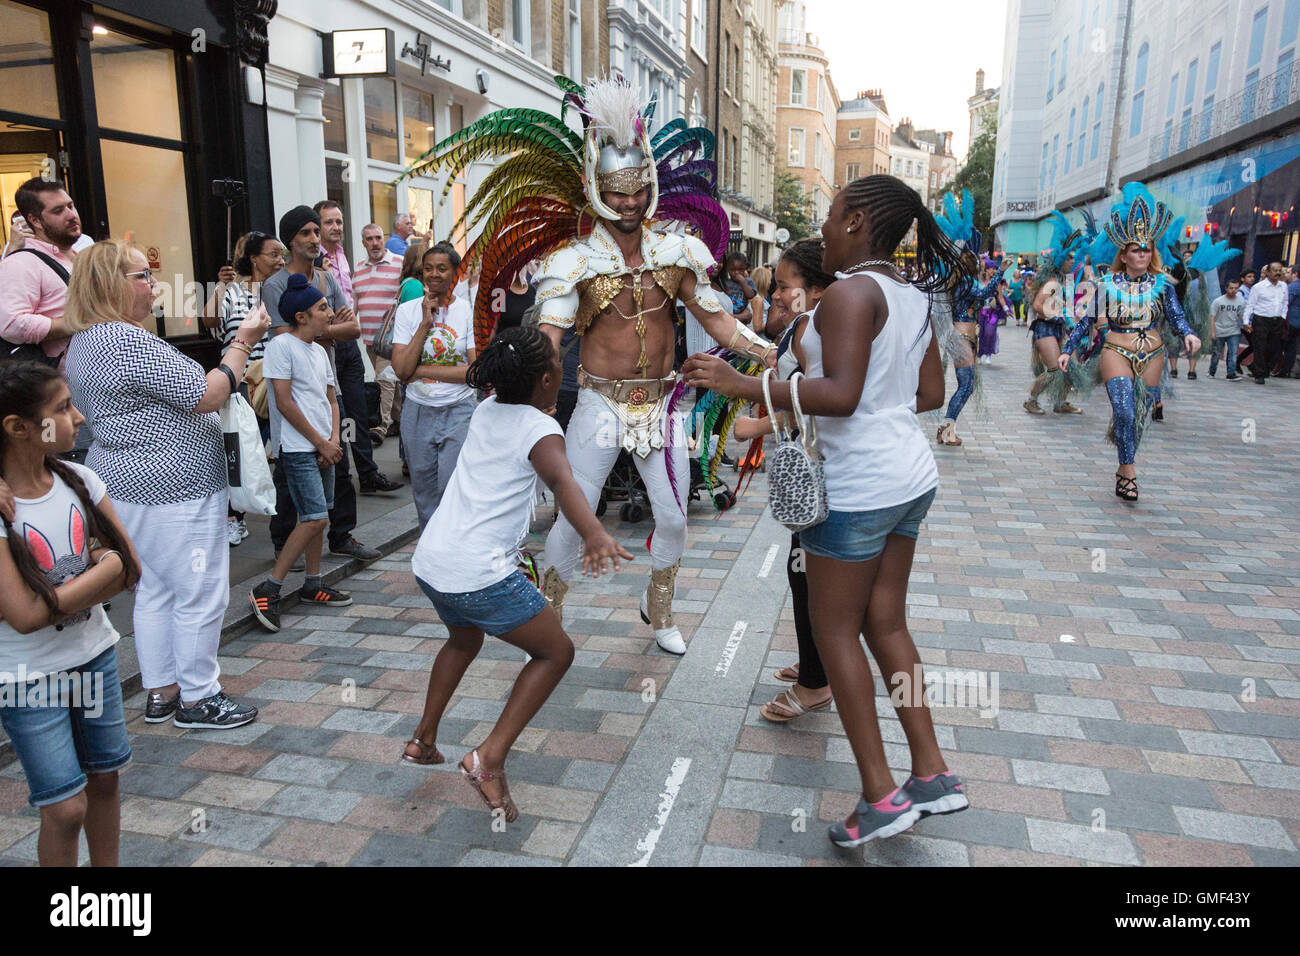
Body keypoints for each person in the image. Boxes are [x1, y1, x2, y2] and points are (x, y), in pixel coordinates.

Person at [683, 174, 970, 846]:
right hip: (907, 476)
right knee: (887, 624)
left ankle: (880, 795)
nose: (825, 229)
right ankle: (930, 772)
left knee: (835, 630)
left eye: (833, 216)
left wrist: (744, 383)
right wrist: (869, 402)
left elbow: (839, 395)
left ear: (860, 221)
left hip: (858, 485)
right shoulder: (911, 294)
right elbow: (928, 393)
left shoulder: (848, 292)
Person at [402, 326, 632, 820]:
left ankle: (423, 739)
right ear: (549, 379)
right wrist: (594, 534)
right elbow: (561, 480)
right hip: (476, 572)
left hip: (433, 561)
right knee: (555, 652)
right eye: (557, 361)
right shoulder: (540, 429)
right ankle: (489, 759)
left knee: (463, 641)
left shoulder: (487, 408)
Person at [64, 239, 265, 728]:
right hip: (173, 484)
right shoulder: (122, 340)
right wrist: (243, 342)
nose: (154, 283)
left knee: (155, 589)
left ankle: (163, 690)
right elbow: (207, 394)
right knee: (199, 589)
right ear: (112, 284)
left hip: (129, 482)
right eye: (142, 275)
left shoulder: (85, 342)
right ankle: (199, 697)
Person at [0, 362, 140, 866]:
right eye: (62, 408)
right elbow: (24, 616)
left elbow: (132, 569)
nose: (78, 417)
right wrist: (103, 566)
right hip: (26, 677)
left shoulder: (81, 479)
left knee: (104, 780)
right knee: (64, 808)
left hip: (92, 656)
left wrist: (57, 598)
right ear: (18, 427)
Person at [729, 239, 836, 722]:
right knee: (803, 570)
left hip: (816, 467)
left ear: (814, 290)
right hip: (805, 464)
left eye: (784, 288)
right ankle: (817, 662)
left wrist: (758, 425)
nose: (774, 296)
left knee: (805, 572)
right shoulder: (802, 324)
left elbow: (817, 400)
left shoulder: (814, 329)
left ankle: (818, 682)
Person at [1060, 183, 1199, 501]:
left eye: (1147, 249)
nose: (1142, 254)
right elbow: (1086, 320)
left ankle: (1124, 468)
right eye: (1136, 249)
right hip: (1116, 350)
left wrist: (1188, 334)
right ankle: (1130, 470)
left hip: (1153, 353)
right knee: (1123, 411)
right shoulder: (1107, 283)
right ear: (1123, 253)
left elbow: (1176, 318)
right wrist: (1068, 349)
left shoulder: (1163, 284)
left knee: (1139, 416)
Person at [260, 206, 381, 563]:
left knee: (337, 457)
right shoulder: (275, 285)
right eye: (307, 234)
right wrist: (329, 330)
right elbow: (288, 337)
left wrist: (318, 331)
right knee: (288, 467)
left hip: (328, 384)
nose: (316, 239)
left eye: (317, 232)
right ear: (290, 241)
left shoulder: (327, 279)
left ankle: (341, 534)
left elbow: (355, 329)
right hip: (292, 391)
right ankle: (284, 542)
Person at [249, 274, 352, 631]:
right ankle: (269, 588)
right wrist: (320, 442)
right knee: (314, 518)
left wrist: (333, 439)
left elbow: (331, 399)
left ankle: (313, 583)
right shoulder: (281, 346)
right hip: (297, 447)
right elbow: (284, 402)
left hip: (325, 445)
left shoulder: (321, 351)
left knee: (319, 514)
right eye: (322, 308)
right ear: (301, 317)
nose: (329, 313)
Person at [315, 200, 402, 495]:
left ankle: (367, 474)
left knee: (358, 411)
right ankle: (340, 477)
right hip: (328, 346)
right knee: (335, 412)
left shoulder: (342, 257)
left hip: (350, 342)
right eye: (329, 222)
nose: (336, 227)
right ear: (317, 228)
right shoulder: (316, 261)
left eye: (339, 221)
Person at [390, 241, 477, 529]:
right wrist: (425, 324)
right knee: (424, 495)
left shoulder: (466, 311)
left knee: (453, 489)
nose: (434, 274)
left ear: (455, 272)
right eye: (428, 268)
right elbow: (402, 370)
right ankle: (432, 557)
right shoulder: (408, 311)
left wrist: (423, 369)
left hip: (459, 411)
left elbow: (472, 373)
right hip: (418, 412)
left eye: (442, 268)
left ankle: (454, 551)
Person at [211, 231, 283, 546]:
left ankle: (279, 512)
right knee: (240, 452)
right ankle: (234, 517)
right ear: (254, 258)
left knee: (272, 449)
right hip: (239, 382)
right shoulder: (234, 291)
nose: (280, 260)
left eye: (282, 254)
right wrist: (220, 285)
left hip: (274, 381)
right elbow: (209, 320)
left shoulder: (280, 291)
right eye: (273, 254)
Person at [933, 190, 1003, 446]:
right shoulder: (964, 282)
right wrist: (999, 275)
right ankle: (945, 428)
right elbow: (984, 292)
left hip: (963, 335)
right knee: (966, 385)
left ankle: (947, 428)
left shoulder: (959, 281)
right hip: (962, 336)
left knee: (966, 385)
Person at [1023, 215, 1086, 417]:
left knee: (1071, 366)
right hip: (1045, 329)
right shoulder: (1052, 281)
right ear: (1060, 258)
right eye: (1069, 257)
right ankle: (1031, 400)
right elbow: (1037, 305)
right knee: (1053, 370)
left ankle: (1060, 401)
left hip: (1060, 329)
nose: (1072, 260)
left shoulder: (1063, 280)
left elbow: (1068, 307)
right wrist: (1055, 314)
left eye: (1073, 257)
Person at [353, 223, 404, 439]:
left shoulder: (398, 263)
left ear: (383, 239)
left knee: (384, 380)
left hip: (390, 339)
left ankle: (380, 426)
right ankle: (402, 422)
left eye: (378, 238)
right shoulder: (359, 268)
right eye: (369, 239)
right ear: (363, 242)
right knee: (392, 384)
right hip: (368, 339)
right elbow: (355, 302)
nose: (375, 243)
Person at [1243, 261, 1288, 384]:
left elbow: (1285, 303)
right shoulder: (1259, 287)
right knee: (1260, 347)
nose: (1278, 273)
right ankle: (1259, 374)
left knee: (1273, 348)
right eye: (1275, 270)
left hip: (1277, 320)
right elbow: (1250, 305)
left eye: (1280, 270)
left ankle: (1258, 367)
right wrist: (1246, 321)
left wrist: (1282, 317)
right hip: (1261, 319)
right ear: (1268, 272)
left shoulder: (1283, 286)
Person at [1208, 278, 1247, 380]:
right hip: (1219, 329)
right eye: (1231, 288)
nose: (1233, 290)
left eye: (1236, 288)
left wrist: (1246, 325)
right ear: (1226, 288)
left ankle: (1231, 373)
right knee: (1216, 353)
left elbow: (1242, 315)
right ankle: (1212, 371)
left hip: (1234, 330)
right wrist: (1212, 332)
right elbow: (1212, 317)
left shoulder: (1241, 301)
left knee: (1233, 352)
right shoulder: (1218, 301)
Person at [1283, 265, 1300, 377]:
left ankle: (1284, 370)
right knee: (1291, 346)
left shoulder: (1292, 287)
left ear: (1295, 274)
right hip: (1297, 321)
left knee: (1283, 344)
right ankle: (1287, 370)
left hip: (1291, 320)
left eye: (1289, 272)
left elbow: (1286, 303)